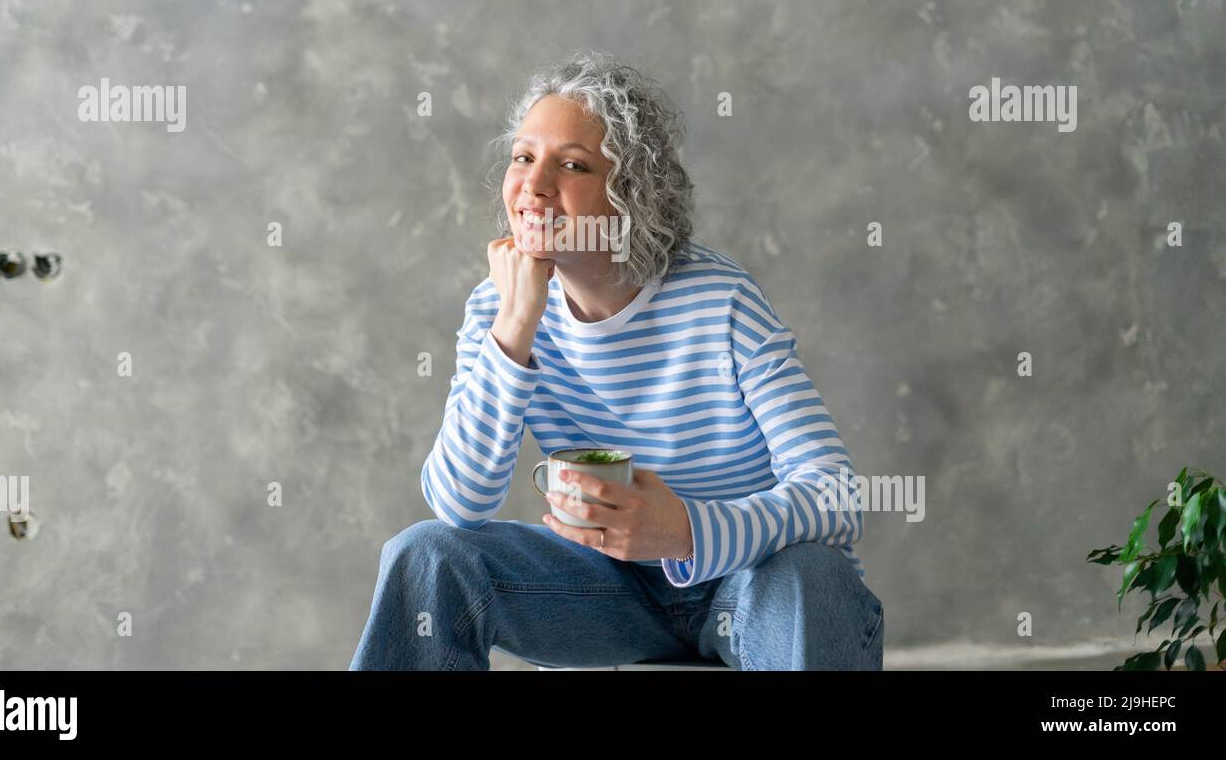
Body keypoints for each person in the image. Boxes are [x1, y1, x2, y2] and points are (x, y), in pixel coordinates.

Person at [349, 51, 883, 670]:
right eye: (524, 157)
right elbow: (460, 505)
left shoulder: (721, 301)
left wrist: (687, 530)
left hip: (754, 586)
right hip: (614, 595)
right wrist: (515, 326)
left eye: (572, 165)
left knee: (806, 570)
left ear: (630, 194)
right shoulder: (498, 309)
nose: (535, 184)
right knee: (427, 554)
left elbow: (836, 496)